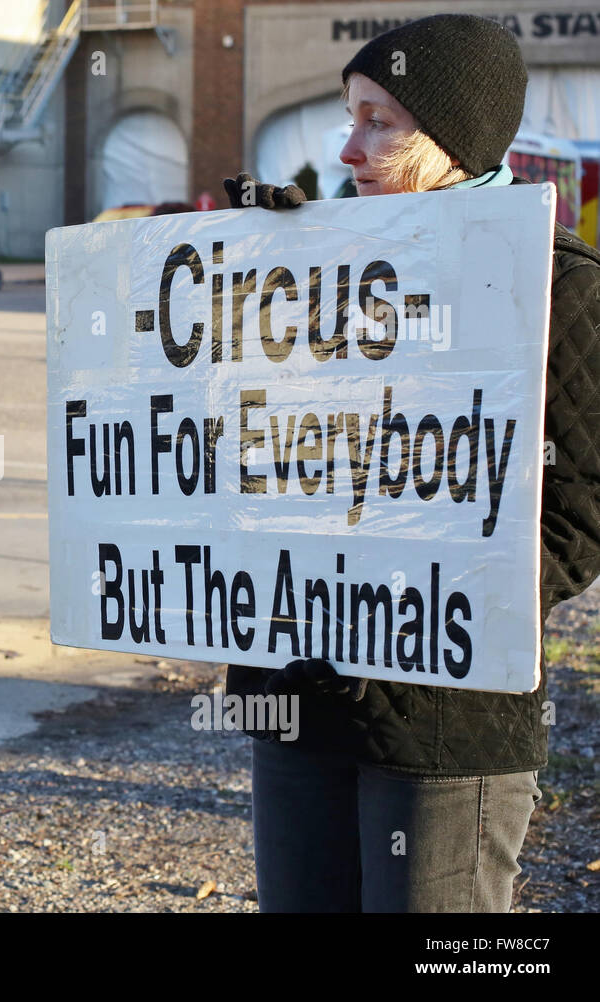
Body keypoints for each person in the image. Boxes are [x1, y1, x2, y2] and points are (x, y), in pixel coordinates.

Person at [222, 13, 600, 912]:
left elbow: (578, 516)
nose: (347, 151)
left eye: (379, 123)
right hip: (296, 684)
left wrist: (408, 602)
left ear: (456, 141)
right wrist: (240, 287)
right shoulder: (306, 270)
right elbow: (225, 454)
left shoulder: (559, 286)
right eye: (348, 118)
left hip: (441, 709)